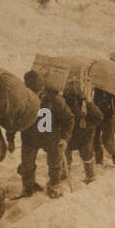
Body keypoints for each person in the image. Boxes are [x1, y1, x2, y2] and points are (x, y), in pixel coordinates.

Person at [21, 70, 74, 198]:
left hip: (51, 138)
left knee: (55, 163)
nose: (36, 95)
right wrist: (10, 138)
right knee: (27, 164)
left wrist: (64, 138)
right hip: (29, 137)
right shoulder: (22, 98)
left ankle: (54, 185)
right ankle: (28, 186)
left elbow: (69, 119)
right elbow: (15, 117)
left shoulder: (55, 99)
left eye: (38, 92)